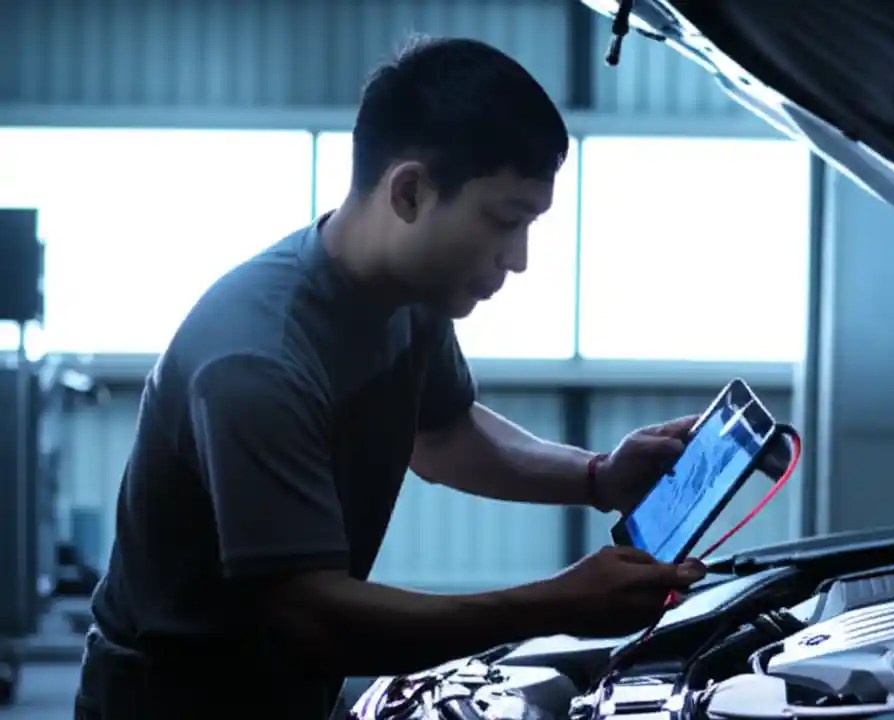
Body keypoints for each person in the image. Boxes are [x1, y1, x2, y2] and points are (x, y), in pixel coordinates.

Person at [74, 36, 706, 719]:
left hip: (283, 689)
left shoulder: (410, 297)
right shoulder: (255, 363)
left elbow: (443, 435)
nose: (519, 259)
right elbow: (311, 618)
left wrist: (599, 477)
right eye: (504, 221)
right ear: (409, 191)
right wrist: (555, 604)